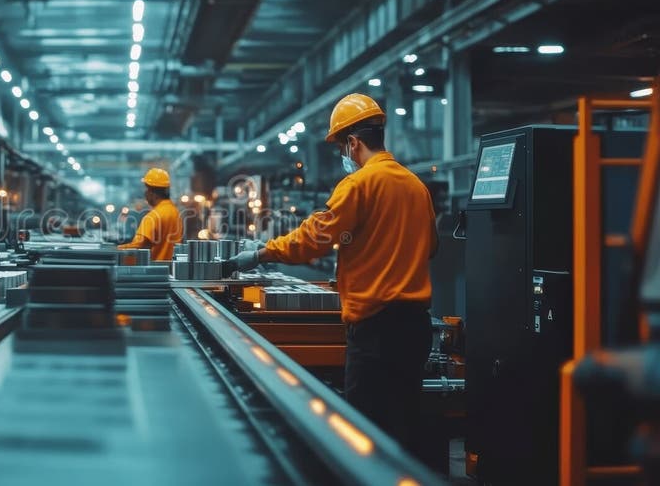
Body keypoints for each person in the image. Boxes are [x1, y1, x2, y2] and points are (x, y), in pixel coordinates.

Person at [225, 93, 437, 450]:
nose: (343, 155)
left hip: (375, 332)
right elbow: (431, 246)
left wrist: (261, 253)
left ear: (353, 143)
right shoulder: (416, 186)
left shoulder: (358, 185)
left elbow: (314, 240)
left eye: (341, 147)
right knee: (403, 428)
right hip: (416, 329)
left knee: (365, 438)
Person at [119, 167, 183, 261]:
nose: (145, 194)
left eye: (146, 190)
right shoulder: (174, 212)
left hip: (154, 270)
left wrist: (115, 250)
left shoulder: (153, 216)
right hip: (171, 269)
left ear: (153, 193)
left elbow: (138, 245)